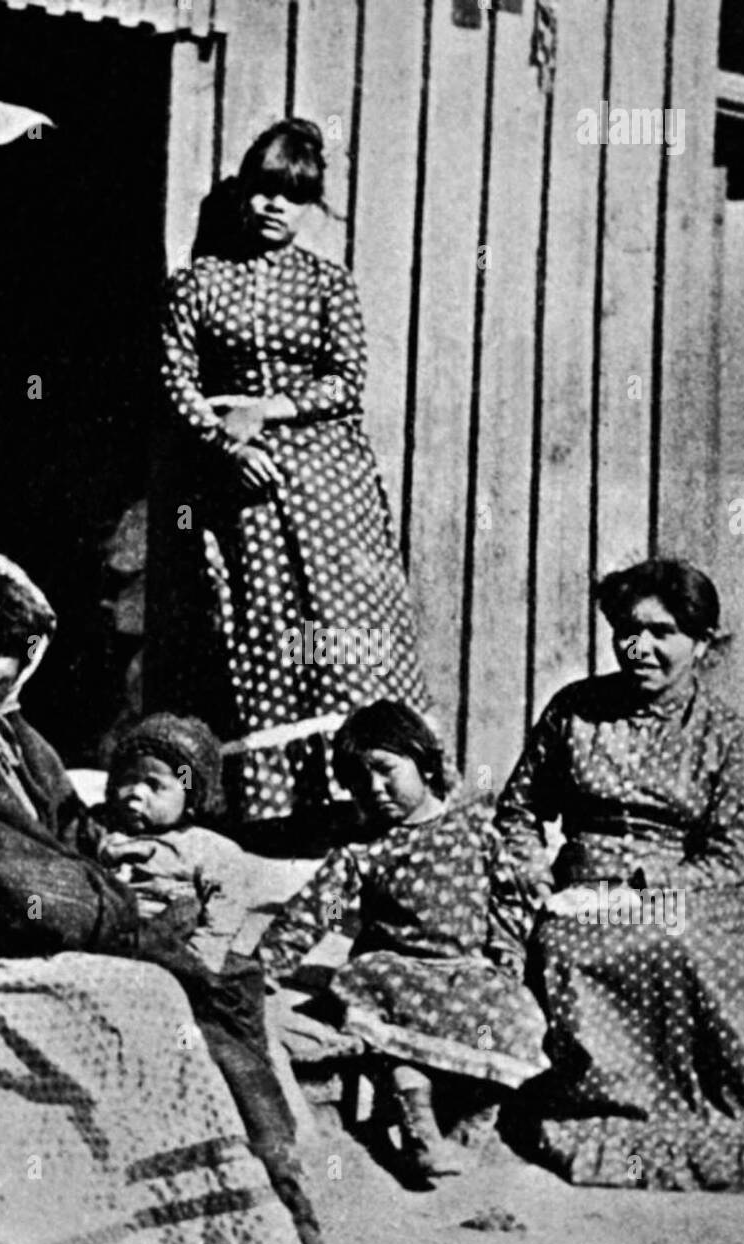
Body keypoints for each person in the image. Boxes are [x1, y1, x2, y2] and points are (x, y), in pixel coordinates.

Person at [0, 548, 364, 1244]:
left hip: (33, 937)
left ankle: (273, 1226)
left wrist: (117, 886)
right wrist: (109, 907)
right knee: (146, 1000)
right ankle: (148, 1241)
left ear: (29, 654)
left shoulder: (20, 741)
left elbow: (71, 842)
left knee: (223, 988)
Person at [160, 117, 431, 825]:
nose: (276, 207)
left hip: (329, 486)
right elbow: (174, 380)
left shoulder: (326, 284)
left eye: (294, 195)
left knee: (346, 636)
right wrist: (227, 447)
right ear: (244, 193)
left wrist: (267, 410)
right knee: (264, 635)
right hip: (244, 490)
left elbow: (346, 381)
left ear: (311, 205)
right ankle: (282, 808)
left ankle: (371, 799)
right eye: (264, 190)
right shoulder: (198, 284)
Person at [495, 557, 744, 1195]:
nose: (640, 646)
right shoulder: (575, 710)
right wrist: (531, 873)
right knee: (579, 944)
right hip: (583, 888)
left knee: (681, 943)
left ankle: (716, 1121)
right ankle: (611, 1111)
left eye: (662, 632)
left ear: (702, 643)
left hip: (694, 887)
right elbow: (518, 811)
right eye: (628, 629)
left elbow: (737, 850)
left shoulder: (726, 735)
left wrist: (660, 885)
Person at [259, 699, 547, 1180]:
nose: (373, 787)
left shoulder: (476, 828)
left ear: (424, 761)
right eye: (357, 779)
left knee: (518, 1014)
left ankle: (471, 1129)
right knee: (374, 1000)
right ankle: (419, 1132)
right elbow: (317, 910)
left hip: (466, 971)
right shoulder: (364, 850)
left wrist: (507, 953)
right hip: (395, 969)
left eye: (385, 769)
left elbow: (507, 899)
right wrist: (265, 968)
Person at [96, 712, 250, 972]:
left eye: (155, 785)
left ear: (189, 798)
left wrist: (201, 957)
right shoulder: (101, 830)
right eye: (128, 780)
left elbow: (227, 907)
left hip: (172, 946)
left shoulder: (207, 848)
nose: (136, 793)